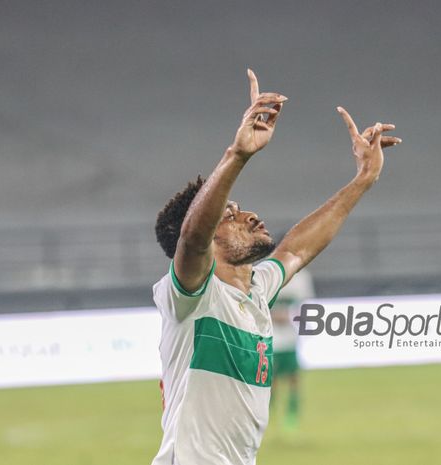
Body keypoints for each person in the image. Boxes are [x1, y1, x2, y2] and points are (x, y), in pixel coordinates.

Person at [151, 69, 401, 464]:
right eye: (230, 215)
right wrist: (238, 156)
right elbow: (191, 240)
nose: (249, 215)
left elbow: (296, 251)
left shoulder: (255, 290)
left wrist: (363, 180)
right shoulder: (191, 299)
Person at [270, 264, 315, 433]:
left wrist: (292, 317)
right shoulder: (268, 271)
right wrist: (273, 315)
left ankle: (292, 412)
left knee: (293, 378)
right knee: (270, 379)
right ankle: (268, 413)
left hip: (290, 338)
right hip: (271, 337)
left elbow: (305, 305)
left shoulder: (302, 278)